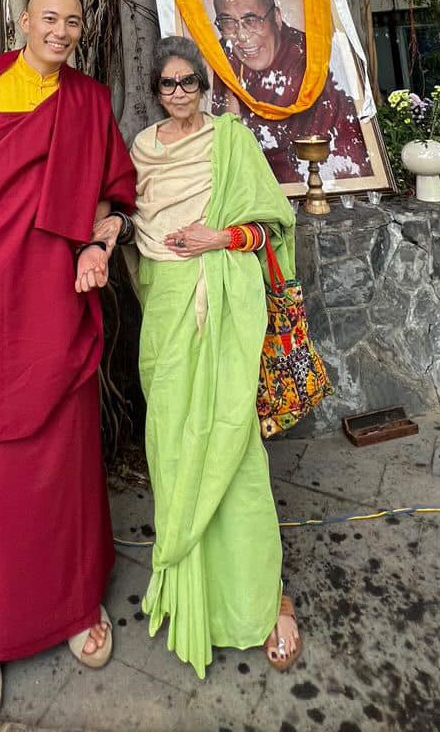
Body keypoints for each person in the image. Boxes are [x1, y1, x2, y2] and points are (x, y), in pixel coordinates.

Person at [0, 0, 137, 716]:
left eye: (75, 20)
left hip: (53, 299)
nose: (64, 31)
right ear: (22, 23)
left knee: (62, 455)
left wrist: (98, 246)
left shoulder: (86, 102)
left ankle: (74, 605)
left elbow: (108, 193)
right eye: (51, 18)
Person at [126, 34, 303, 680]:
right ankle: (192, 587)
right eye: (168, 85)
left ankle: (263, 600)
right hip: (167, 310)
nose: (179, 94)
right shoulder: (142, 151)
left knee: (237, 451)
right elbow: (128, 223)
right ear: (155, 92)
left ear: (204, 86)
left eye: (189, 83)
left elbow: (271, 227)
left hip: (224, 304)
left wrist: (217, 237)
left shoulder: (231, 142)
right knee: (173, 446)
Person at [210, 0, 370, 186]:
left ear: (276, 17)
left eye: (252, 20)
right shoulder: (224, 56)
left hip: (323, 183)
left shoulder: (312, 59)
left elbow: (343, 150)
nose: (242, 36)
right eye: (228, 23)